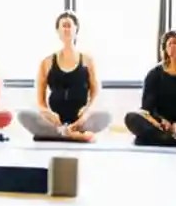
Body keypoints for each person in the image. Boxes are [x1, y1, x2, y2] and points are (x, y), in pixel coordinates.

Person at [17, 11, 112, 142]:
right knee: (23, 114)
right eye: (63, 26)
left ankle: (63, 133)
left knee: (107, 116)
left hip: (81, 120)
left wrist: (86, 114)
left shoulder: (88, 60)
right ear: (57, 30)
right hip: (54, 121)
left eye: (69, 25)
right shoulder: (46, 62)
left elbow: (95, 94)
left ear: (76, 29)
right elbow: (40, 102)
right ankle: (73, 135)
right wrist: (48, 113)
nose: (66, 29)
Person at [124, 30, 176, 146]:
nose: (174, 47)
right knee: (132, 117)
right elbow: (147, 109)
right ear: (165, 50)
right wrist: (160, 122)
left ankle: (170, 139)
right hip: (162, 126)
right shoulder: (154, 75)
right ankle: (166, 139)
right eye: (170, 44)